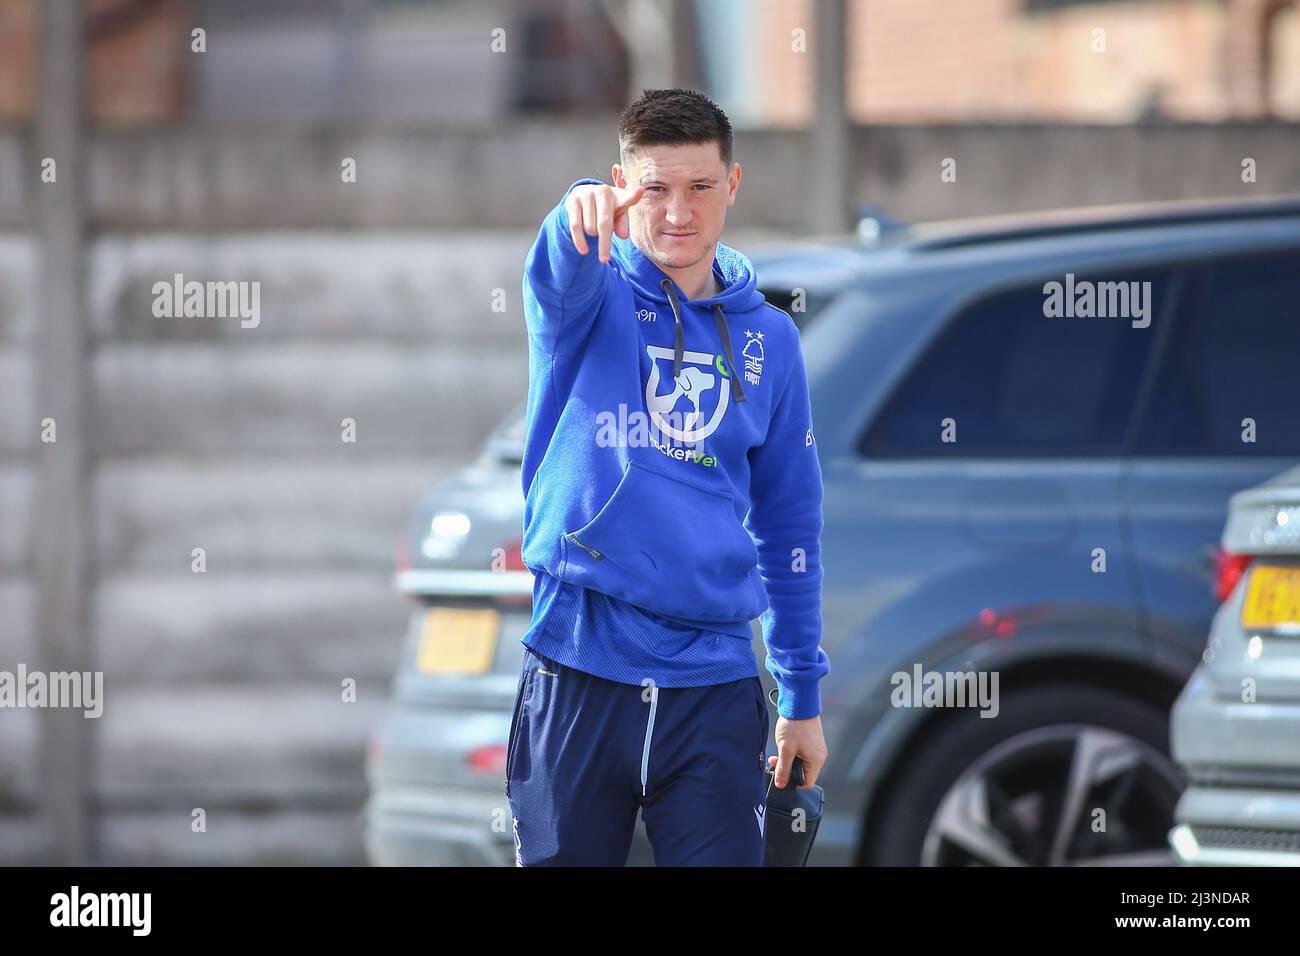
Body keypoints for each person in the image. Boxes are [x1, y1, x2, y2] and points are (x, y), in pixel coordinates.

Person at [507, 88, 829, 866]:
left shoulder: (772, 341)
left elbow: (789, 526)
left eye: (700, 188)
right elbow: (555, 271)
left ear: (734, 184)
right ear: (624, 187)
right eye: (654, 188)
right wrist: (574, 211)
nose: (677, 212)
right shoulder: (587, 297)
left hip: (713, 686)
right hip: (577, 663)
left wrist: (801, 698)